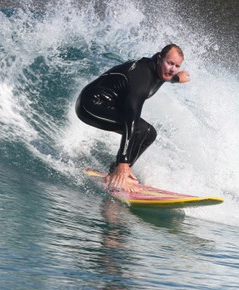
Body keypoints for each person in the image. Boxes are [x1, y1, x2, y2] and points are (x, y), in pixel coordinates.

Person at [75, 44, 191, 192]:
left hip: (111, 105)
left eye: (177, 66)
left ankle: (116, 171)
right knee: (139, 129)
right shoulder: (141, 79)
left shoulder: (159, 70)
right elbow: (131, 121)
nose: (172, 69)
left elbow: (166, 74)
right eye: (169, 63)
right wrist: (124, 162)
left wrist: (175, 79)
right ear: (159, 58)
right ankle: (119, 171)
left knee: (149, 133)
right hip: (91, 104)